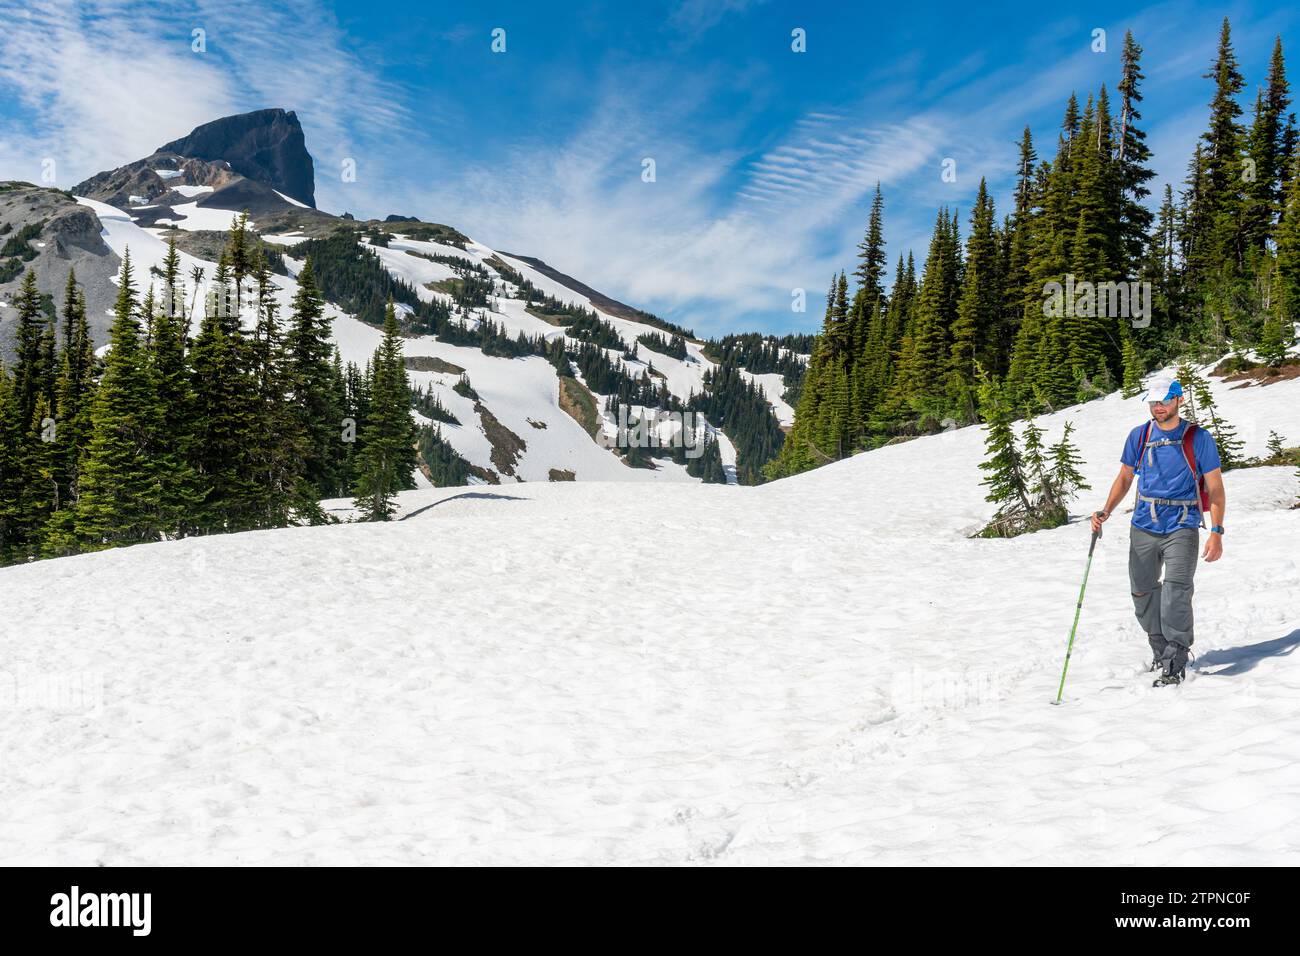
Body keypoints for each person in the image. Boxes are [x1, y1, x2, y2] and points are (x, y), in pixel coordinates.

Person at [1090, 376, 1226, 685]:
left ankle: (1175, 659)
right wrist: (1106, 509)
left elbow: (1215, 488)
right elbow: (1125, 477)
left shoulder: (1198, 438)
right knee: (1142, 591)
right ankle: (1159, 646)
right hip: (1143, 524)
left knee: (1176, 591)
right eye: (1153, 402)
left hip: (1183, 523)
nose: (1158, 407)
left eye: (1164, 401)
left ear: (1178, 400)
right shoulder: (1139, 436)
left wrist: (1216, 531)